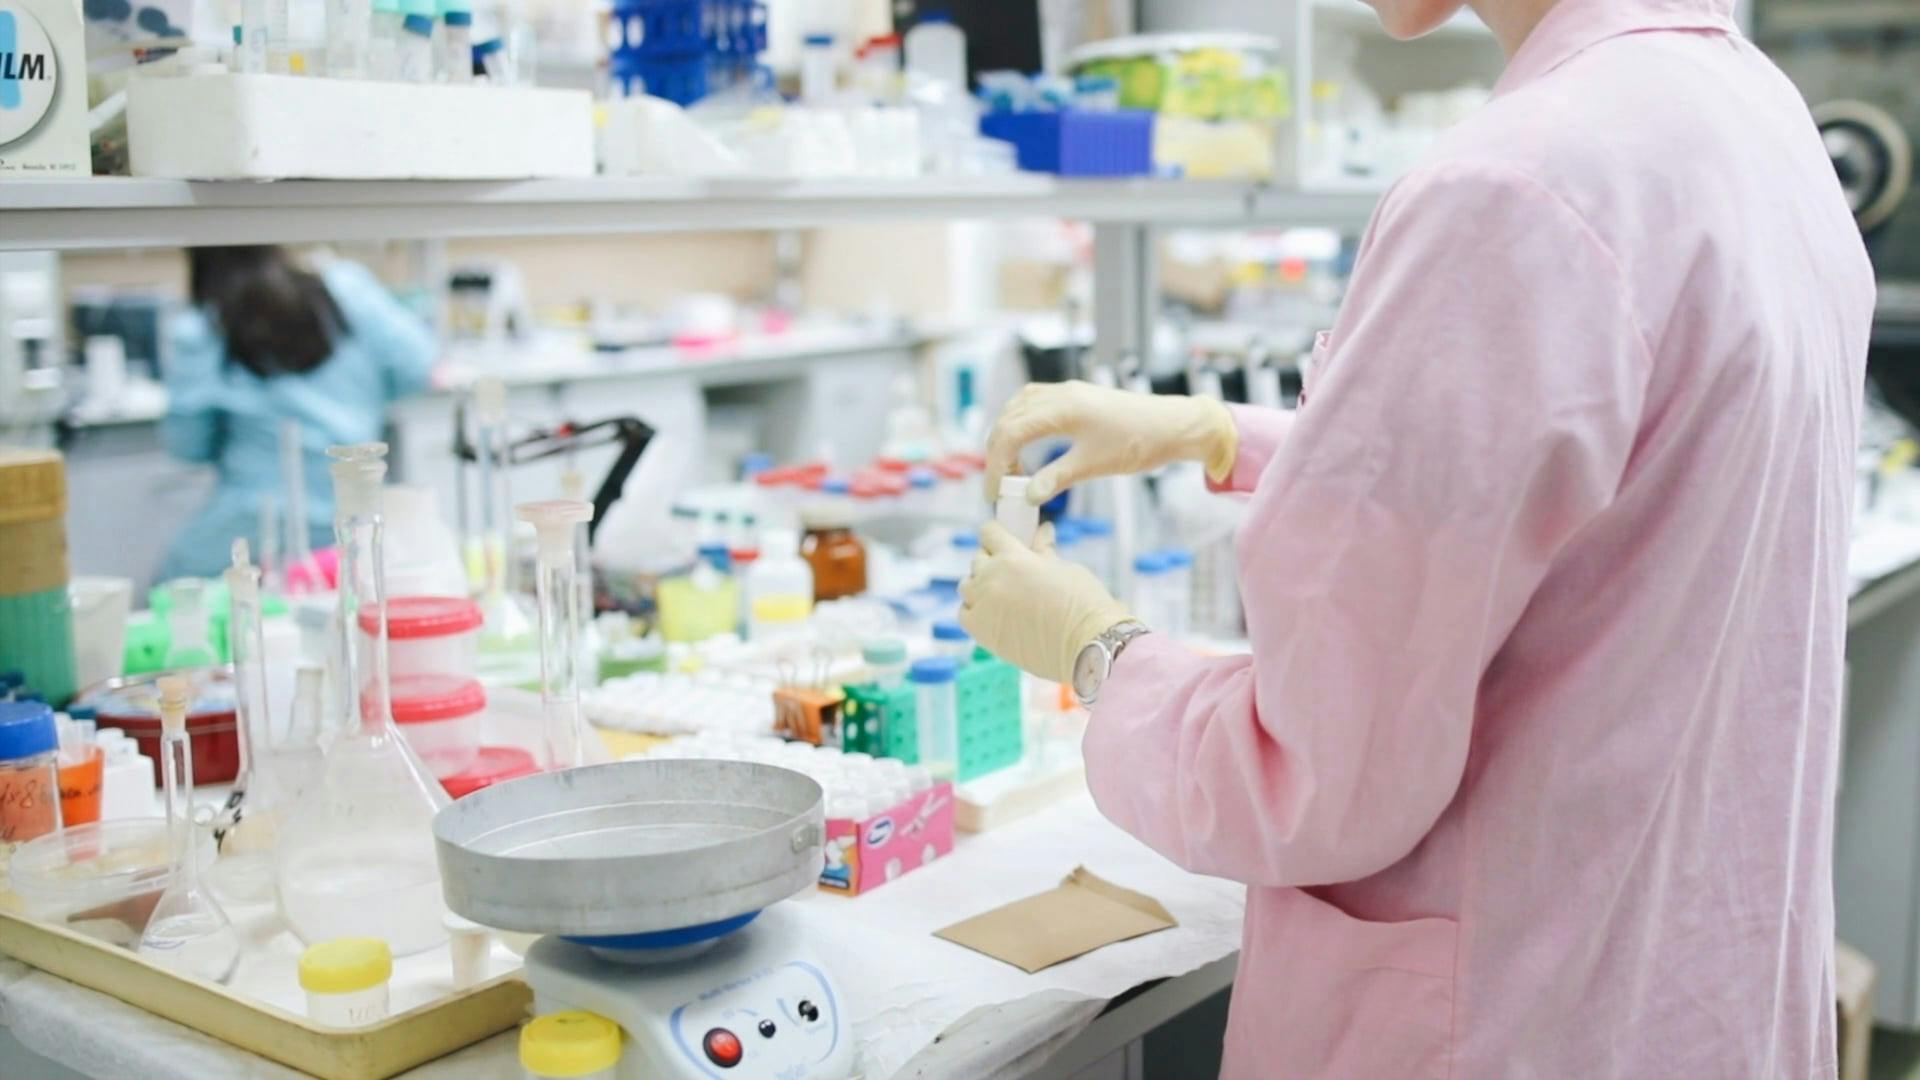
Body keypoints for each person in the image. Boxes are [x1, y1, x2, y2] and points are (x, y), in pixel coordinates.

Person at [959, 0, 1877, 1074]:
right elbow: (1582, 476)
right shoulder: (1749, 111)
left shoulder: (1518, 185)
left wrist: (1101, 653)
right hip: (1682, 1002)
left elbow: (1314, 781)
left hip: (1519, 1019)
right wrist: (1219, 433)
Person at [158, 247, 436, 581]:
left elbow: (187, 446)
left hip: (252, 521)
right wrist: (362, 394)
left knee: (172, 594)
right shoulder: (347, 288)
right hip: (354, 513)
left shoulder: (203, 325)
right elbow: (418, 367)